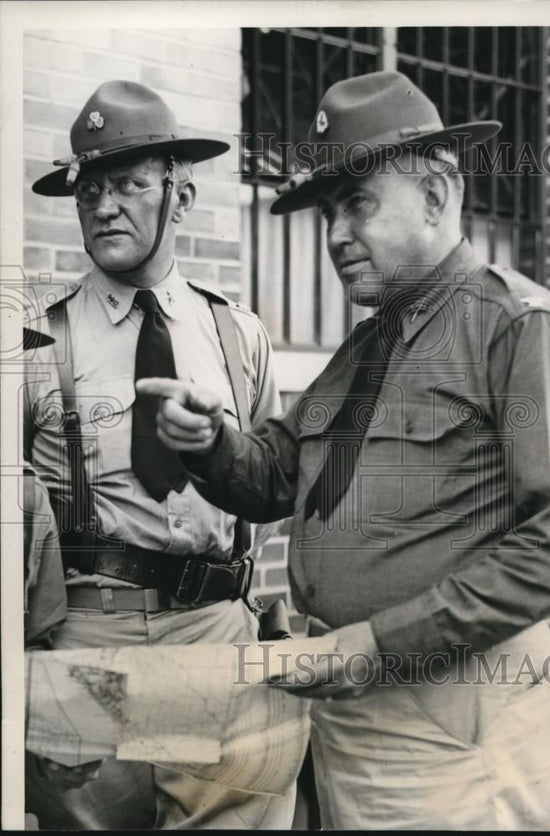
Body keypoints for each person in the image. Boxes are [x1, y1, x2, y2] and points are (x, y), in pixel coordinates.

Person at [139, 71, 550, 830]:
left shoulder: (514, 327)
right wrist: (209, 442)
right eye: (328, 213)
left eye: (359, 204)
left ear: (437, 196)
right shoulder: (367, 345)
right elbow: (277, 475)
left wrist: (373, 646)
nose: (336, 234)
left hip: (454, 721)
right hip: (351, 716)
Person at [23, 79, 293, 830]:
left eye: (129, 186)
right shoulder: (37, 342)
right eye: (88, 191)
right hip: (87, 637)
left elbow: (273, 483)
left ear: (182, 197)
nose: (103, 206)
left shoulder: (237, 335)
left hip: (214, 633)